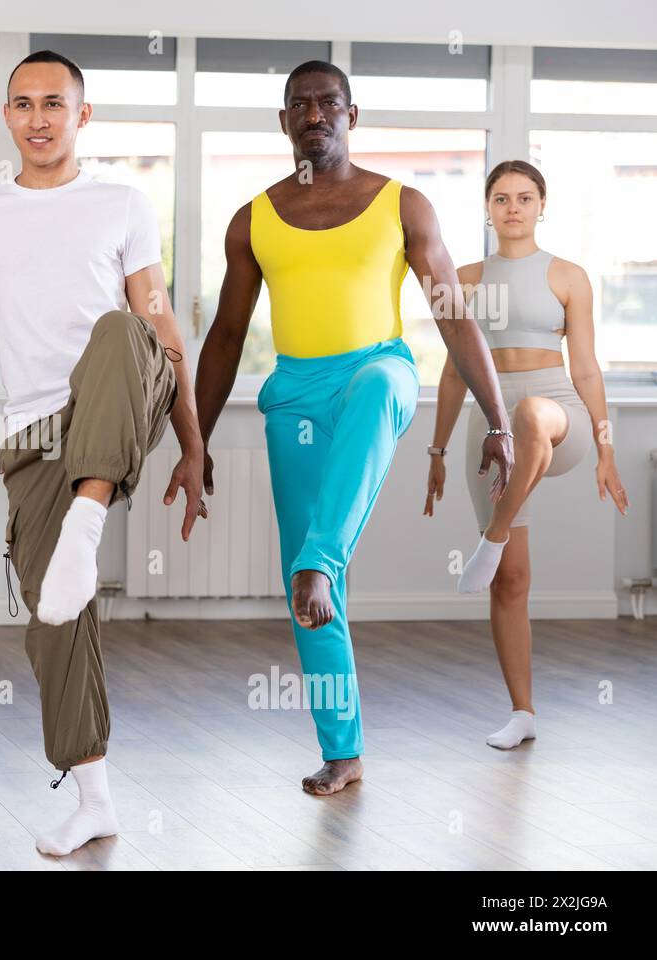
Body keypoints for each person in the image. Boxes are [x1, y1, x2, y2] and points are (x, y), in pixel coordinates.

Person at [195, 61, 513, 796]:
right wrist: (196, 440)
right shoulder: (254, 219)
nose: (315, 114)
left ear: (352, 114)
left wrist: (498, 419)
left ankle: (321, 557)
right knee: (308, 589)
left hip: (379, 368)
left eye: (328, 102)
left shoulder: (403, 204)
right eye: (299, 104)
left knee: (372, 398)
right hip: (294, 396)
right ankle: (343, 751)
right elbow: (225, 336)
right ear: (283, 123)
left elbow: (451, 314)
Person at [0, 51, 206, 856]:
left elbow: (160, 326)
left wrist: (192, 444)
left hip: (124, 394)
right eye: (22, 105)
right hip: (36, 430)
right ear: (6, 119)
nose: (39, 118)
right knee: (56, 615)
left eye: (55, 103)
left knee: (121, 329)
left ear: (82, 115)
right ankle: (95, 799)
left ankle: (85, 527)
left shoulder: (121, 200)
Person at [424, 159, 628, 749]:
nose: (513, 207)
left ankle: (491, 538)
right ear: (486, 209)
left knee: (530, 416)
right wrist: (436, 449)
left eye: (525, 197)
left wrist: (606, 448)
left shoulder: (569, 276)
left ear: (542, 207)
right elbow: (454, 372)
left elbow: (586, 367)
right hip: (489, 425)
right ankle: (522, 714)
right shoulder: (461, 278)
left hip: (555, 413)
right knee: (510, 582)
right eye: (501, 198)